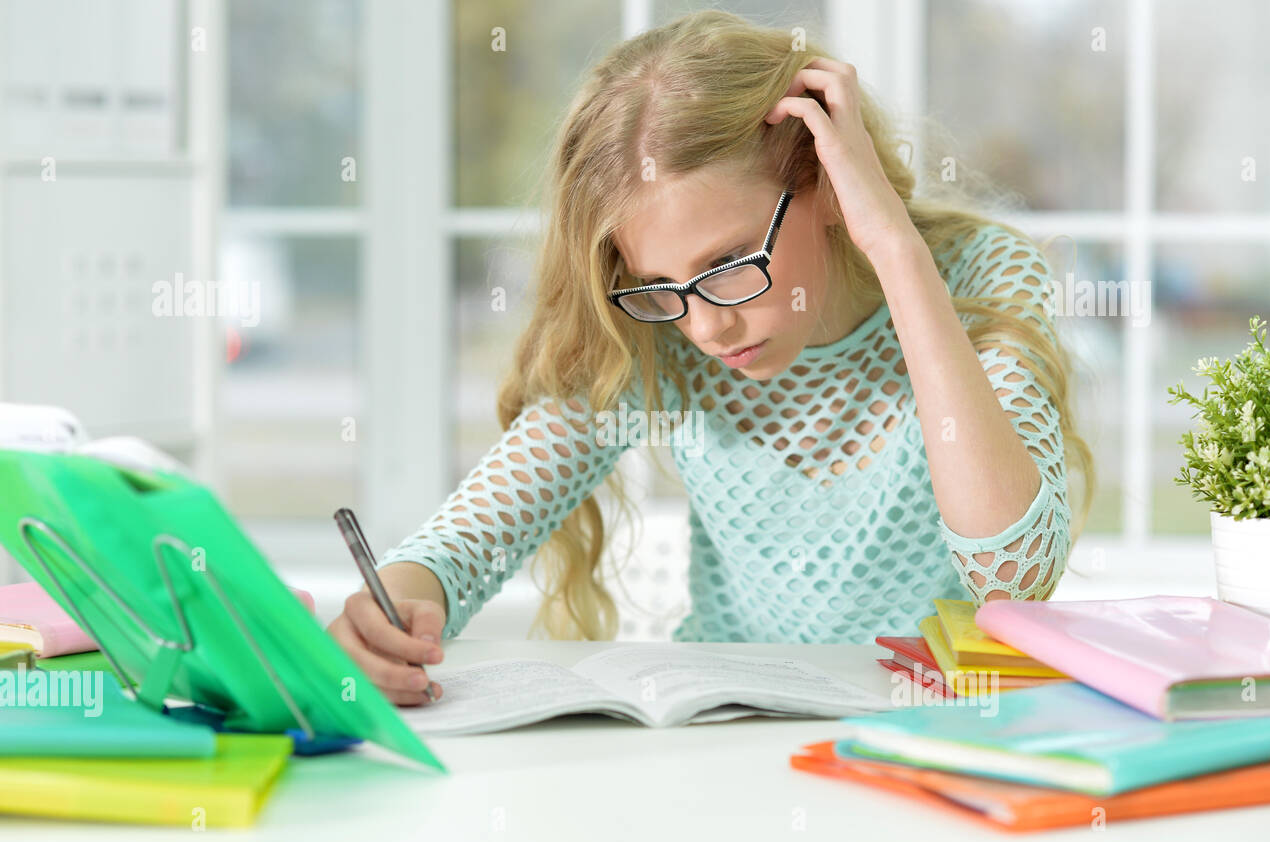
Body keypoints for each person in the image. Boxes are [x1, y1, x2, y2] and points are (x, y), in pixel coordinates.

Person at [326, 10, 1095, 705]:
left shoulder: (984, 274)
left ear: (825, 180)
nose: (704, 329)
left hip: (946, 741)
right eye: (660, 284)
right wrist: (389, 609)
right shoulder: (655, 335)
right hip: (731, 737)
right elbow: (469, 539)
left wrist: (894, 248)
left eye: (728, 265)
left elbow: (1014, 576)